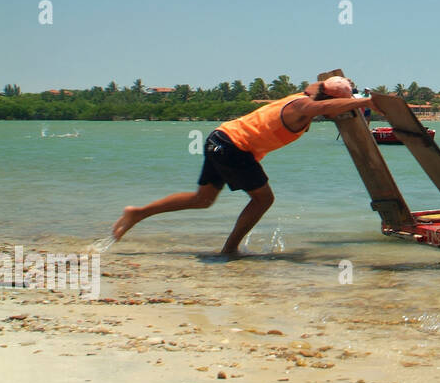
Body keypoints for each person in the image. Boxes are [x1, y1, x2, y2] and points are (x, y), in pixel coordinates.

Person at [112, 76, 372, 256]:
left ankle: (138, 213)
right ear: (327, 100)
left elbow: (319, 88)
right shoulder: (304, 106)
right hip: (232, 146)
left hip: (219, 138)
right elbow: (323, 105)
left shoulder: (309, 92)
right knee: (263, 199)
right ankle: (230, 250)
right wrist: (365, 103)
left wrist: (345, 86)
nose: (337, 112)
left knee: (203, 199)